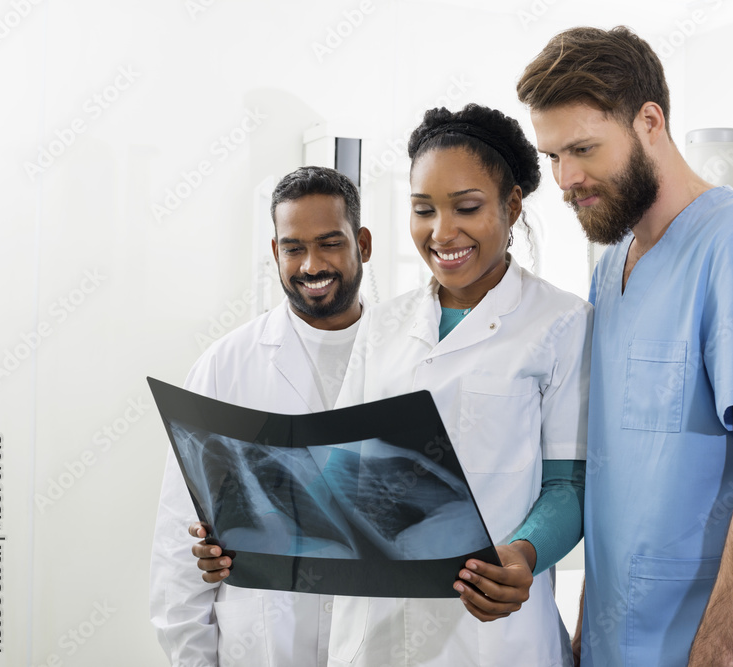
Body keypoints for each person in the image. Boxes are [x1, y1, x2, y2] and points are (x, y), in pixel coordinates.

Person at [517, 26, 733, 667]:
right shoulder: (611, 264)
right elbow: (619, 482)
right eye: (552, 157)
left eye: (582, 149)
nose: (566, 178)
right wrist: (586, 632)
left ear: (649, 121)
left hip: (716, 649)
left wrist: (712, 656)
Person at [322, 103, 593, 667]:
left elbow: (569, 485)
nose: (442, 233)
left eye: (466, 207)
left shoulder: (560, 323)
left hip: (495, 637)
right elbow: (336, 468)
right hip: (379, 630)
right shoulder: (383, 326)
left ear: (512, 205)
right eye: (423, 210)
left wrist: (523, 553)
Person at [149, 166, 372, 667]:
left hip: (373, 641)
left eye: (330, 243)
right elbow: (178, 541)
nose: (311, 264)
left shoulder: (404, 357)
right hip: (264, 644)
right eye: (293, 248)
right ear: (276, 253)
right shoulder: (226, 366)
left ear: (363, 243)